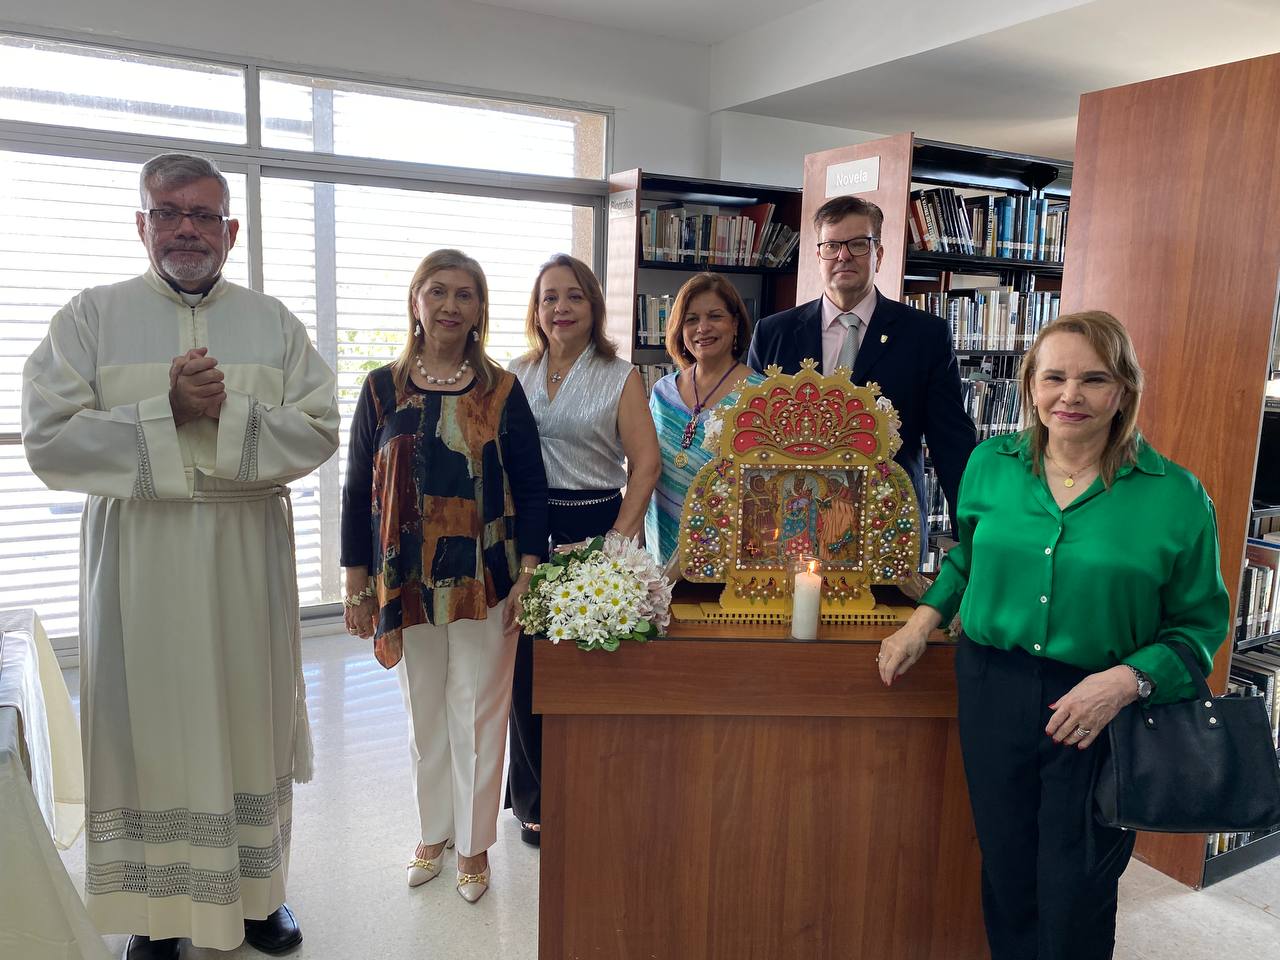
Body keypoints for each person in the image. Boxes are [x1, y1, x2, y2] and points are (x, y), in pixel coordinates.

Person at [22, 153, 339, 960]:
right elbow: (46, 439)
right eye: (168, 213)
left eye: (203, 215)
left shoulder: (272, 323)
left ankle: (261, 898)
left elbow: (321, 427)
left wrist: (227, 413)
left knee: (250, 717)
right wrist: (162, 409)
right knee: (149, 725)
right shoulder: (89, 318)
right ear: (141, 224)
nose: (186, 229)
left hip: (243, 555)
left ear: (232, 230)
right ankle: (157, 913)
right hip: (140, 560)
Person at [876, 311, 1230, 960]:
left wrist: (1125, 682)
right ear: (1029, 385)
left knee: (1078, 886)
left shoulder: (1177, 496)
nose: (1070, 396)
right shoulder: (989, 465)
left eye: (1093, 379)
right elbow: (970, 555)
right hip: (992, 687)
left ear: (1123, 389)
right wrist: (923, 619)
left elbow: (1201, 625)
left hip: (1102, 705)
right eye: (1054, 377)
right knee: (1008, 876)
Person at [340, 249, 548, 904]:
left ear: (481, 309)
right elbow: (355, 491)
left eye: (465, 294)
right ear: (416, 302)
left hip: (488, 573)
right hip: (406, 579)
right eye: (438, 292)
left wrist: (531, 572)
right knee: (423, 707)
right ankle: (433, 832)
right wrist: (355, 581)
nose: (450, 305)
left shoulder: (503, 389)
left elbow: (532, 485)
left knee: (481, 712)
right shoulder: (380, 387)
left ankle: (474, 844)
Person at [505, 253, 660, 846]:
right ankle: (532, 796)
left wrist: (616, 543)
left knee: (582, 668)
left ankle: (586, 787)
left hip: (593, 524)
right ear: (536, 309)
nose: (561, 308)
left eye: (574, 296)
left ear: (593, 305)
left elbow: (645, 465)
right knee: (524, 670)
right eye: (549, 297)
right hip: (526, 530)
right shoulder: (515, 373)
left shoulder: (619, 375)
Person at [747, 195, 975, 527]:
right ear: (818, 255)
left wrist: (973, 540)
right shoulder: (773, 332)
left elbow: (951, 442)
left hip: (888, 523)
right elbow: (753, 434)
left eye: (858, 244)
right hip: (793, 521)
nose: (843, 256)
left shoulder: (924, 335)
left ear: (878, 254)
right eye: (832, 246)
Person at [644, 272, 764, 566]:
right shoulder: (662, 393)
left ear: (735, 324)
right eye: (691, 319)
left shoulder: (760, 397)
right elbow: (640, 471)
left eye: (715, 316)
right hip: (657, 551)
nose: (703, 328)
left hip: (726, 559)